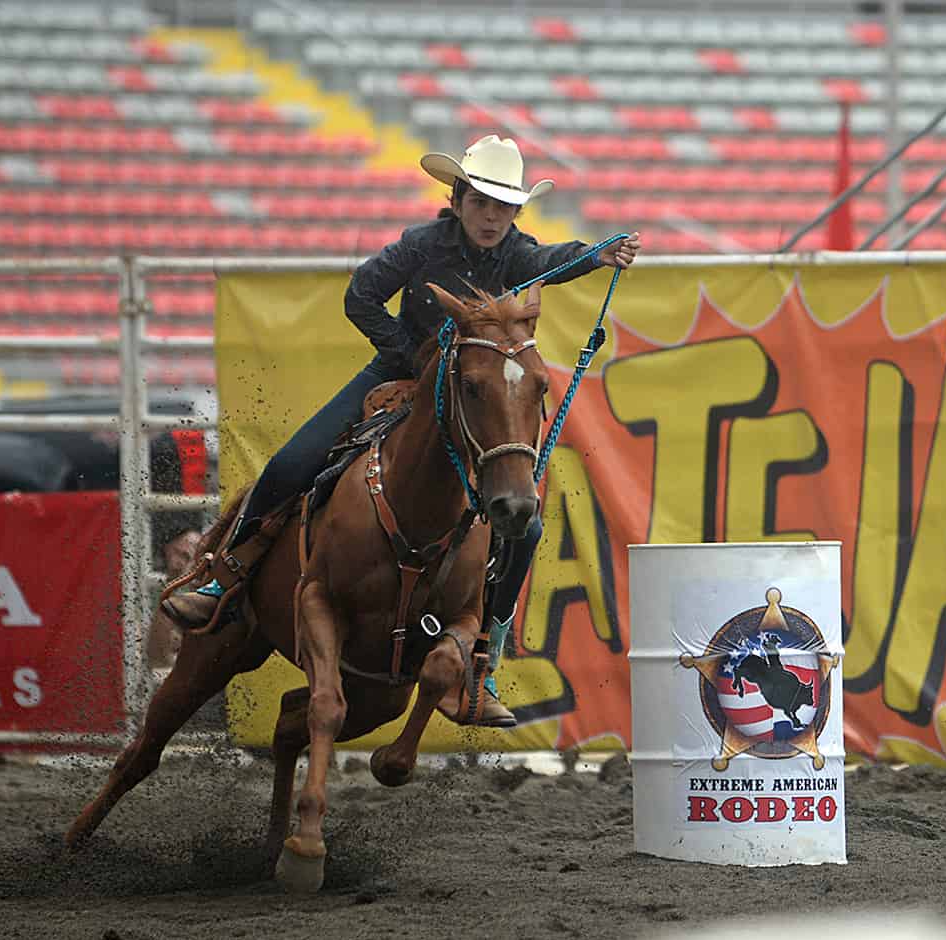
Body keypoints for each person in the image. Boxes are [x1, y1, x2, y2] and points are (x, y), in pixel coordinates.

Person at [162, 135, 640, 714]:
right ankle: (224, 579)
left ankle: (483, 653)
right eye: (482, 202)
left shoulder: (518, 252)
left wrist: (597, 255)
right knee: (293, 462)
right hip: (397, 374)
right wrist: (412, 354)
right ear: (458, 199)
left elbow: (553, 261)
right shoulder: (420, 246)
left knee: (526, 528)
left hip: (468, 395)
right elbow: (361, 295)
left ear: (515, 212)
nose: (492, 217)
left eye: (504, 207)